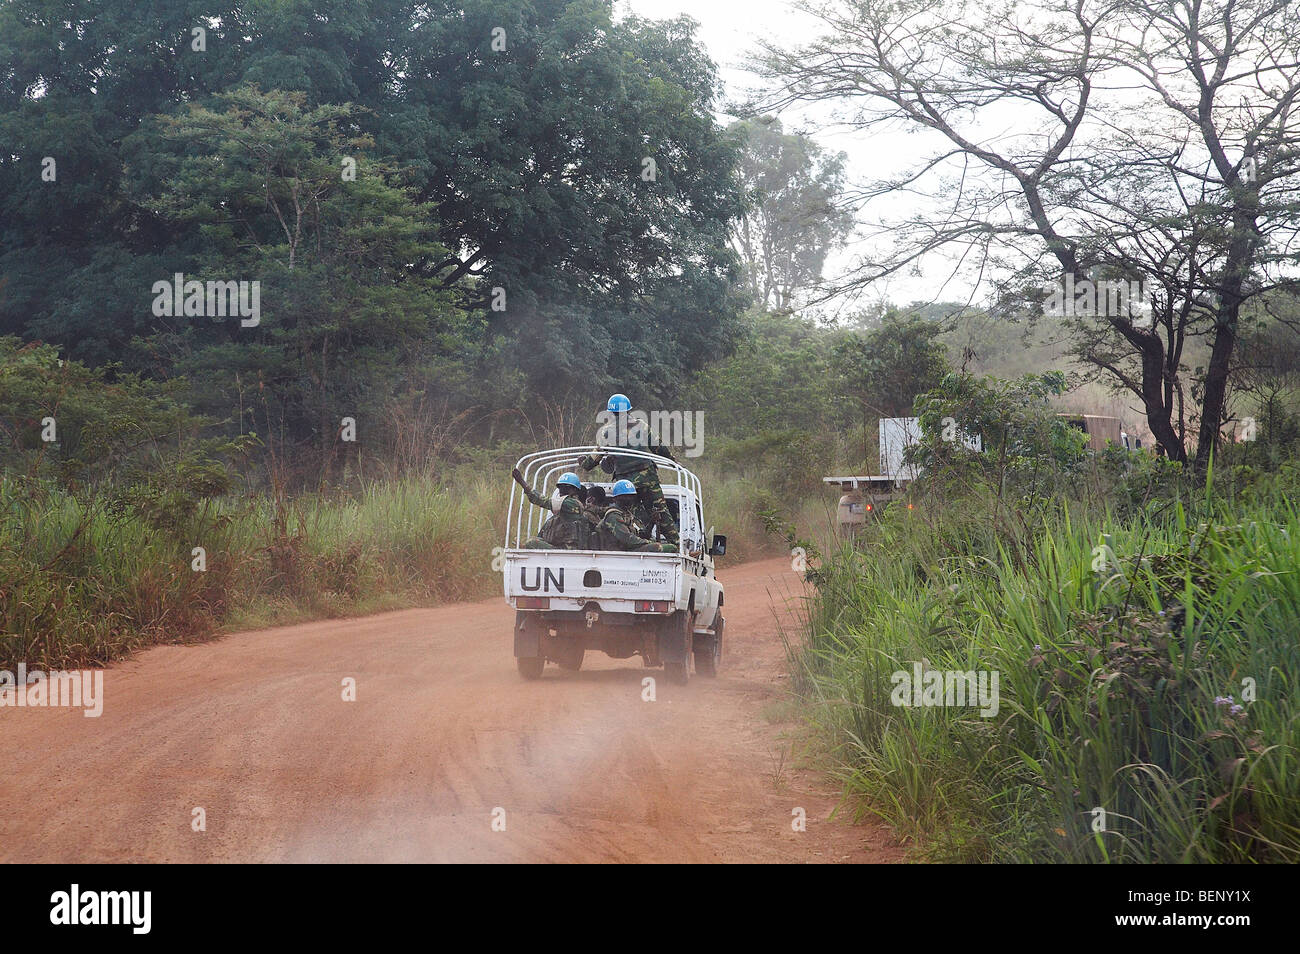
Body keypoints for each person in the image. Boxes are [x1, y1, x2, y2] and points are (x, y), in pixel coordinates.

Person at [578, 393, 680, 545]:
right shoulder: (642, 425)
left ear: (611, 412)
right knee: (661, 511)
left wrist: (583, 462)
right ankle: (676, 545)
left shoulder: (605, 432)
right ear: (629, 410)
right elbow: (659, 448)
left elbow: (592, 461)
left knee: (625, 514)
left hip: (625, 485)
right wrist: (673, 461)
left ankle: (627, 545)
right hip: (647, 479)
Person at [511, 468, 589, 549]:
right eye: (560, 487)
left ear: (574, 490)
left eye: (565, 488)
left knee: (532, 543)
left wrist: (522, 483)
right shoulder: (562, 509)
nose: (561, 490)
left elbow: (543, 501)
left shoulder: (571, 504)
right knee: (533, 540)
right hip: (563, 549)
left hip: (568, 551)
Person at [597, 480, 676, 553]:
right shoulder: (613, 515)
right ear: (615, 498)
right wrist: (650, 542)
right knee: (664, 547)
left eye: (631, 496)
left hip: (627, 551)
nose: (629, 499)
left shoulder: (626, 514)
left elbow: (640, 534)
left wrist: (652, 522)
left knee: (669, 547)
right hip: (619, 553)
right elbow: (628, 539)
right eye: (625, 496)